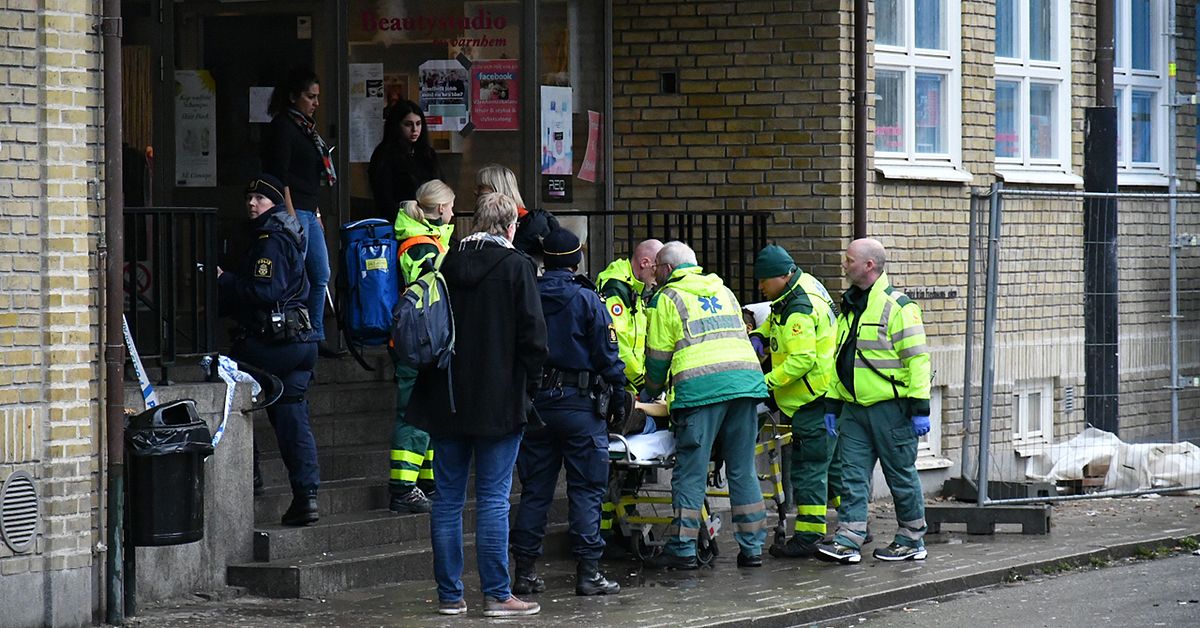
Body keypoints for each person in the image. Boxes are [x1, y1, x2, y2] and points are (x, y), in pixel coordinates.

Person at [406, 192, 547, 617]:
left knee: (447, 500)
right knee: (493, 499)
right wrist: (530, 388)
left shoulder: (447, 262)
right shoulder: (517, 267)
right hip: (499, 401)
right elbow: (534, 338)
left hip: (446, 396)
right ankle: (498, 595)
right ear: (510, 227)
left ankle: (450, 597)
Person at [640, 241, 770, 569]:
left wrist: (649, 393)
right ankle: (752, 548)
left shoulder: (667, 298)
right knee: (742, 469)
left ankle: (683, 548)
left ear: (668, 269)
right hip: (745, 385)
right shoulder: (723, 290)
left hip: (701, 392)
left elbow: (658, 358)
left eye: (656, 268)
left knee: (691, 471)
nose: (654, 274)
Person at [510, 227, 624, 598]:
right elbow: (606, 354)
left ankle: (524, 572)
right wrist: (619, 390)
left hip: (536, 405)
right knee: (587, 490)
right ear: (576, 261)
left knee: (535, 492)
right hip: (580, 405)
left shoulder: (528, 294)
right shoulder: (587, 299)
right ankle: (588, 573)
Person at [817, 237, 932, 565]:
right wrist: (833, 403)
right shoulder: (851, 306)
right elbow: (842, 360)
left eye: (849, 259)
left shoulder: (899, 307)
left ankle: (912, 538)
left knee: (899, 475)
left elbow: (917, 360)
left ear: (869, 265)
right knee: (852, 475)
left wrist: (920, 408)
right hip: (855, 409)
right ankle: (848, 540)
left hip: (891, 409)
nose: (844, 264)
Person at [217, 175, 320, 526]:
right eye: (249, 197)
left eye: (259, 198)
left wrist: (225, 280)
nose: (251, 203)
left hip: (274, 343)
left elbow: (265, 291)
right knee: (292, 416)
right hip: (299, 343)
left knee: (225, 379)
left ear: (273, 204)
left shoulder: (270, 240)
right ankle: (306, 497)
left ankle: (251, 473)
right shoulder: (286, 234)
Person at [749, 245, 838, 559]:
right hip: (826, 394)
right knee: (832, 466)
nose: (761, 287)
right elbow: (778, 321)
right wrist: (761, 334)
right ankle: (855, 524)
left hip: (811, 398)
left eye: (765, 280)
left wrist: (764, 383)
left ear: (782, 276)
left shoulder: (798, 307)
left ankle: (809, 536)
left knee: (808, 469)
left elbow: (801, 360)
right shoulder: (802, 286)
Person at [386, 179, 456, 514]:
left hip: (421, 340)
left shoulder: (423, 239)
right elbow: (431, 287)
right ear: (441, 208)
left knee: (426, 412)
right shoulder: (419, 245)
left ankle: (426, 482)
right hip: (417, 342)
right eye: (452, 206)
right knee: (412, 414)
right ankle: (402, 488)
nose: (454, 212)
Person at [261, 67, 341, 358]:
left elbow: (310, 176)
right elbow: (280, 175)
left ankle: (314, 334)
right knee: (295, 277)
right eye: (310, 97)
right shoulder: (283, 128)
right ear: (293, 97)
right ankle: (292, 333)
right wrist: (291, 213)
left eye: (317, 97)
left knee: (320, 274)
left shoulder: (308, 129)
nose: (316, 103)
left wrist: (316, 213)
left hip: (309, 208)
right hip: (293, 209)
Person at [596, 239, 664, 394]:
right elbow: (617, 344)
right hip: (620, 385)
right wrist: (642, 383)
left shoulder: (634, 287)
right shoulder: (616, 288)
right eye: (656, 269)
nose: (658, 277)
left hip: (629, 383)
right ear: (644, 263)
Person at [368, 100, 443, 222]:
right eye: (408, 124)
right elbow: (384, 198)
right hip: (399, 221)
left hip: (431, 219)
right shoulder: (384, 155)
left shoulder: (428, 153)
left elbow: (440, 187)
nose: (414, 129)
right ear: (396, 126)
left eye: (418, 124)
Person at [474, 163, 559, 259]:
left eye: (481, 187)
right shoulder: (525, 222)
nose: (475, 192)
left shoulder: (529, 224)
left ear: (498, 189)